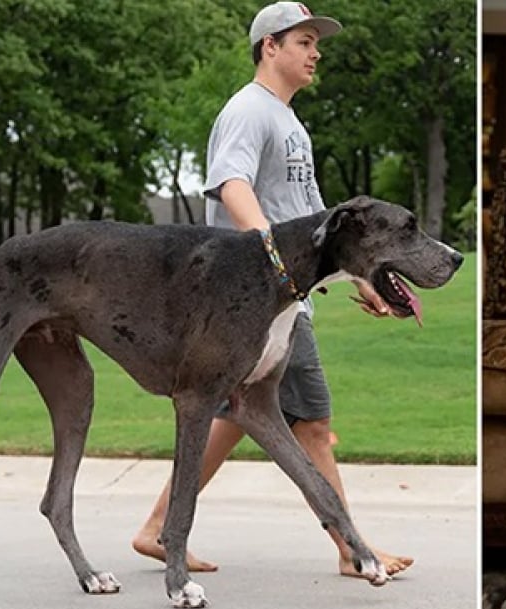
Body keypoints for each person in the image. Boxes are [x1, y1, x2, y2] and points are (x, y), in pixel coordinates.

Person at [131, 1, 414, 579]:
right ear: (270, 47)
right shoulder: (249, 110)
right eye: (305, 42)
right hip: (256, 296)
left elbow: (317, 224)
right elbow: (231, 184)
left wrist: (361, 276)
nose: (316, 54)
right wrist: (271, 260)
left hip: (281, 293)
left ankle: (158, 527)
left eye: (316, 44)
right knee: (311, 420)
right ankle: (352, 549)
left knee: (240, 412)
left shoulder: (289, 121)